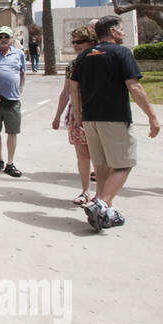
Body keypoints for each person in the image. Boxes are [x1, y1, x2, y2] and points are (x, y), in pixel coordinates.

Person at [68, 15, 161, 231]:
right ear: (112, 32)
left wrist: (79, 116)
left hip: (91, 119)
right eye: (121, 29)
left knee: (102, 165)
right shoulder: (121, 52)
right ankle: (100, 203)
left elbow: (73, 87)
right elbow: (134, 87)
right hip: (115, 117)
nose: (124, 33)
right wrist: (152, 116)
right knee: (123, 164)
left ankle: (103, 208)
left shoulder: (85, 56)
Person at [52, 25, 98, 206]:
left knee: (100, 155)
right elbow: (66, 92)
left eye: (80, 42)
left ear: (92, 42)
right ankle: (86, 191)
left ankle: (101, 194)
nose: (76, 45)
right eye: (73, 42)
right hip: (75, 114)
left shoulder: (100, 61)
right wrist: (57, 116)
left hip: (97, 112)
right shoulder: (73, 64)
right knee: (82, 154)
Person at [0, 25, 27, 177]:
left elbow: (22, 75)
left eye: (6, 37)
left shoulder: (19, 54)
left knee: (12, 132)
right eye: (1, 36)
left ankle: (10, 163)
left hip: (13, 99)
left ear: (12, 39)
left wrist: (19, 91)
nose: (3, 39)